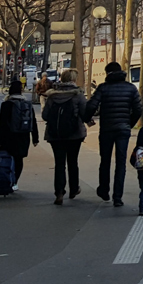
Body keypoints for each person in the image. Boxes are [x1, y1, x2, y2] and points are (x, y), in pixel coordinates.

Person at [83, 61, 143, 207]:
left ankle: (104, 190)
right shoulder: (131, 88)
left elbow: (91, 105)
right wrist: (129, 123)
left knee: (105, 160)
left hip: (107, 129)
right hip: (123, 129)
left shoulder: (103, 88)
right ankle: (118, 197)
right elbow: (138, 109)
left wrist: (87, 118)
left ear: (107, 73)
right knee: (120, 163)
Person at [41, 68, 89, 206]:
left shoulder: (52, 95)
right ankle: (74, 189)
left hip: (55, 134)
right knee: (73, 162)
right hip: (74, 134)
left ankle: (59, 192)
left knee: (59, 163)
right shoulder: (78, 95)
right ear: (73, 79)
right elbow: (85, 113)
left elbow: (45, 116)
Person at [0, 80, 39, 189]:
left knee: (8, 158)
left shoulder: (6, 104)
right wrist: (35, 138)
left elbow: (2, 123)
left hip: (9, 135)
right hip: (23, 136)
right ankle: (15, 182)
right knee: (19, 159)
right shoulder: (27, 104)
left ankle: (7, 179)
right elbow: (33, 121)